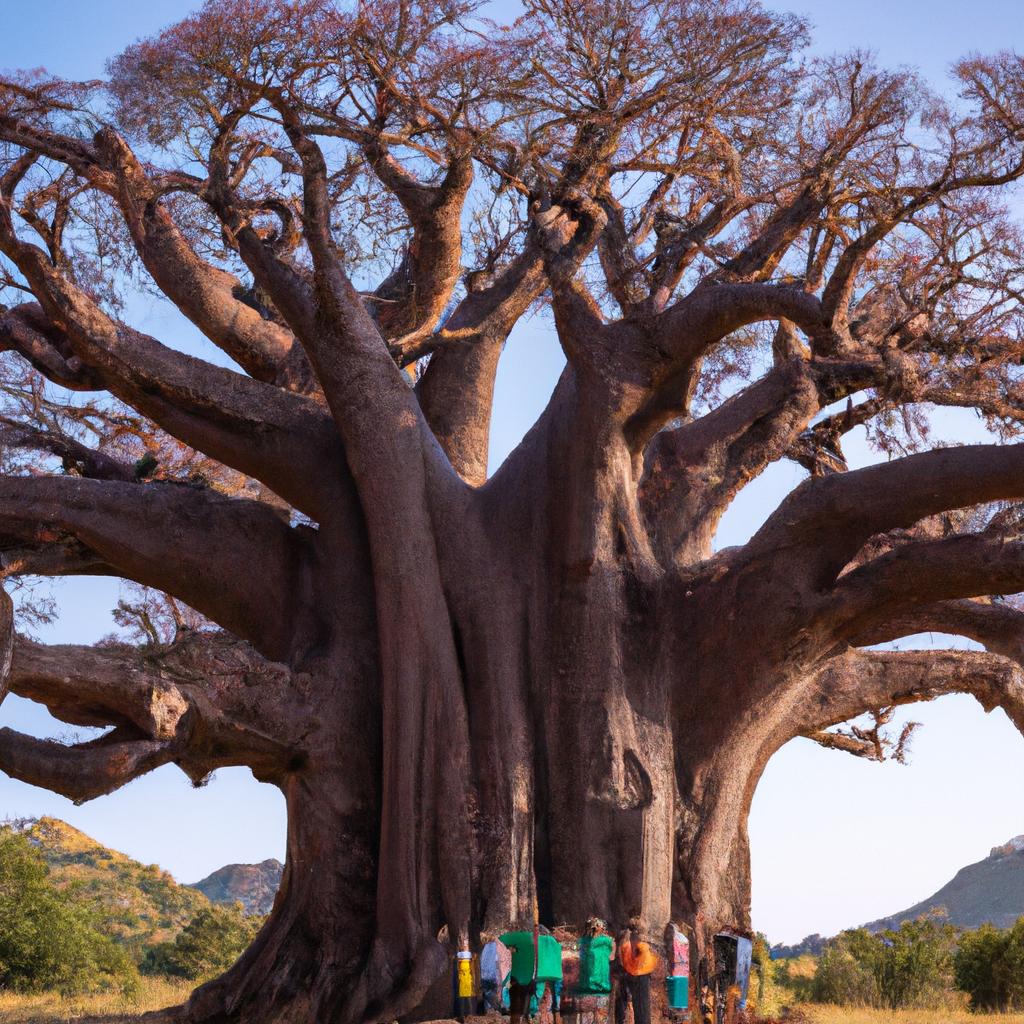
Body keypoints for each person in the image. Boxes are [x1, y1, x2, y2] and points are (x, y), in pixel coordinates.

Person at [615, 917, 659, 1024]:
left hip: (633, 975)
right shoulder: (643, 946)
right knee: (642, 1009)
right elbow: (647, 962)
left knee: (635, 1007)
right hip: (639, 976)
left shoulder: (628, 945)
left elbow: (625, 960)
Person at [499, 924, 540, 1024]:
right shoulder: (535, 940)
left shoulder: (518, 936)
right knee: (524, 1010)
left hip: (516, 979)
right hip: (529, 980)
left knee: (515, 1010)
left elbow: (501, 938)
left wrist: (510, 947)